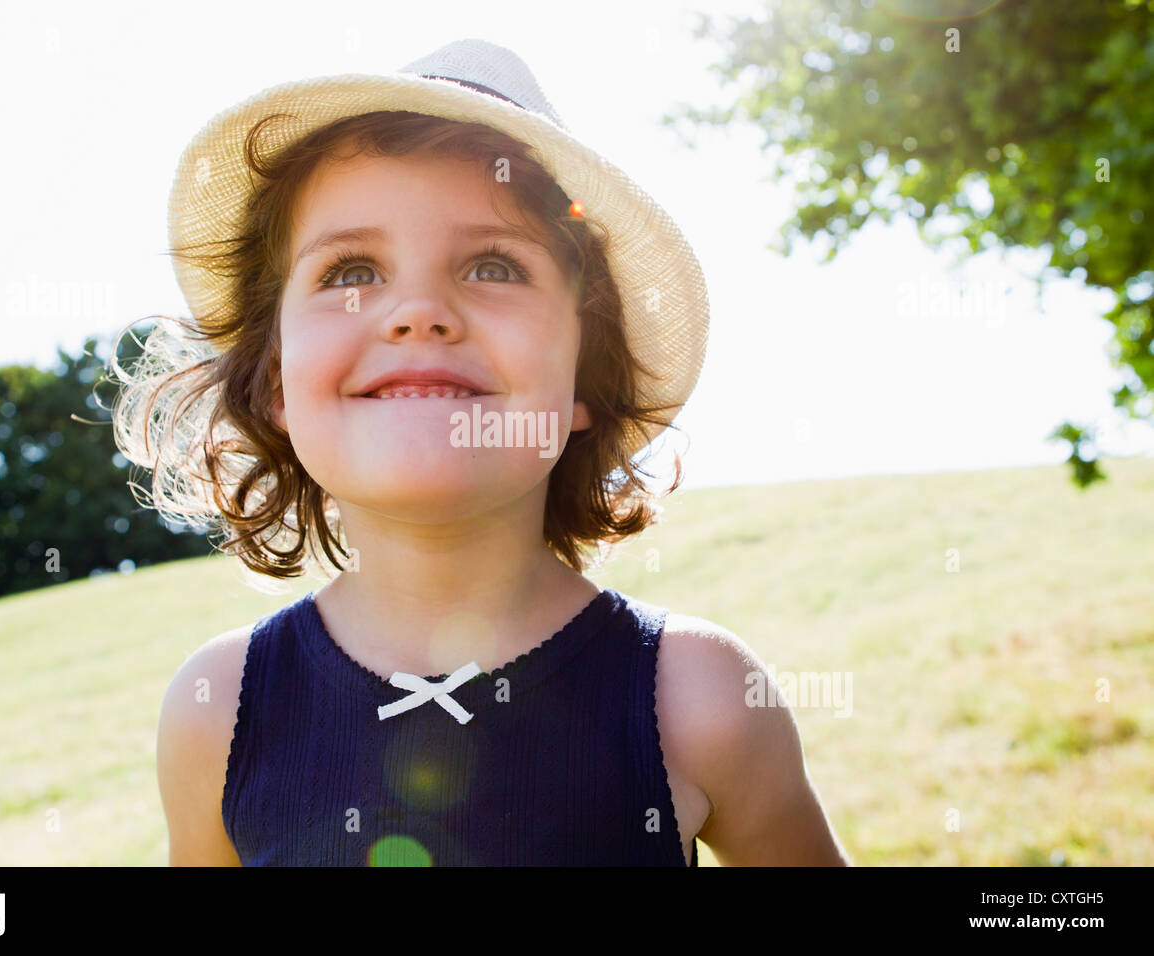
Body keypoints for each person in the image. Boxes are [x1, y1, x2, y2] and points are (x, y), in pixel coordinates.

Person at [119, 38, 850, 866]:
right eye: (351, 268)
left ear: (585, 378)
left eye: (493, 265)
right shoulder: (219, 711)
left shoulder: (697, 695)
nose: (419, 310)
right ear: (277, 382)